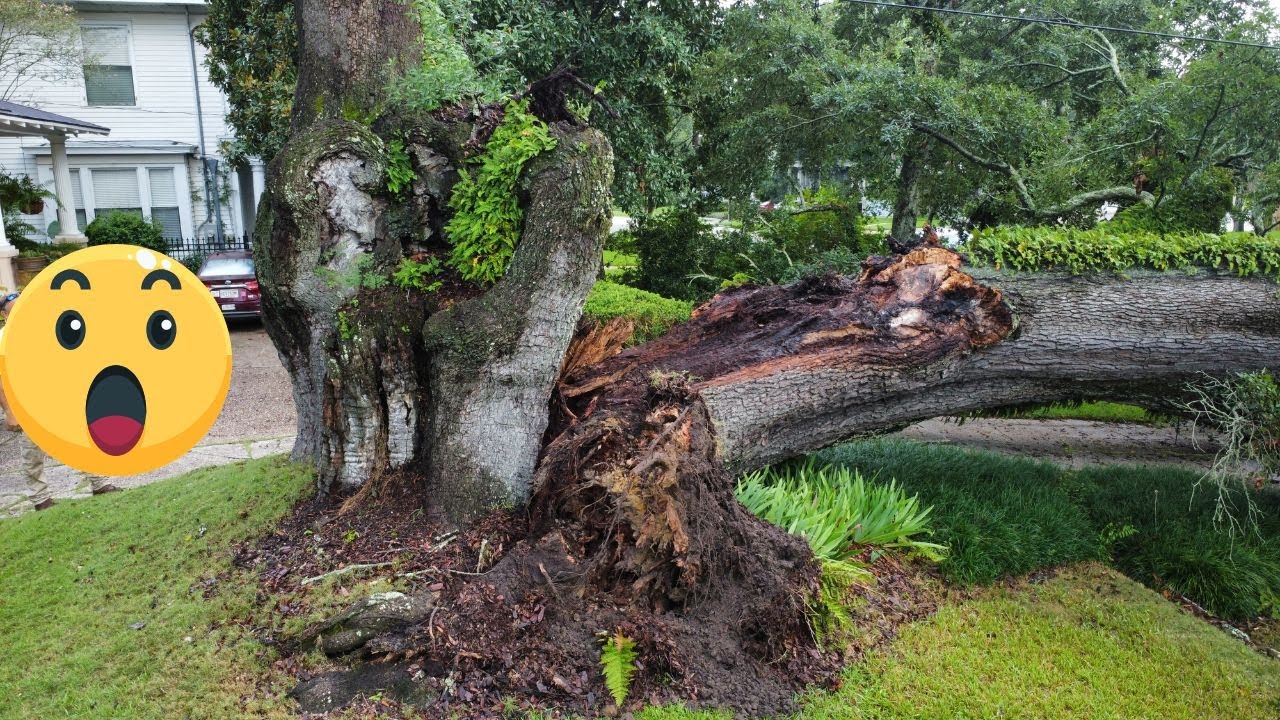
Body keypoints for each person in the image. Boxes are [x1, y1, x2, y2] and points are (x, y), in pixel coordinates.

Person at [0, 292, 117, 512]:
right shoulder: (3, 340)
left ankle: (100, 483)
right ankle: (40, 499)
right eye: (14, 310)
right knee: (32, 454)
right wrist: (10, 411)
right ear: (4, 316)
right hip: (26, 406)